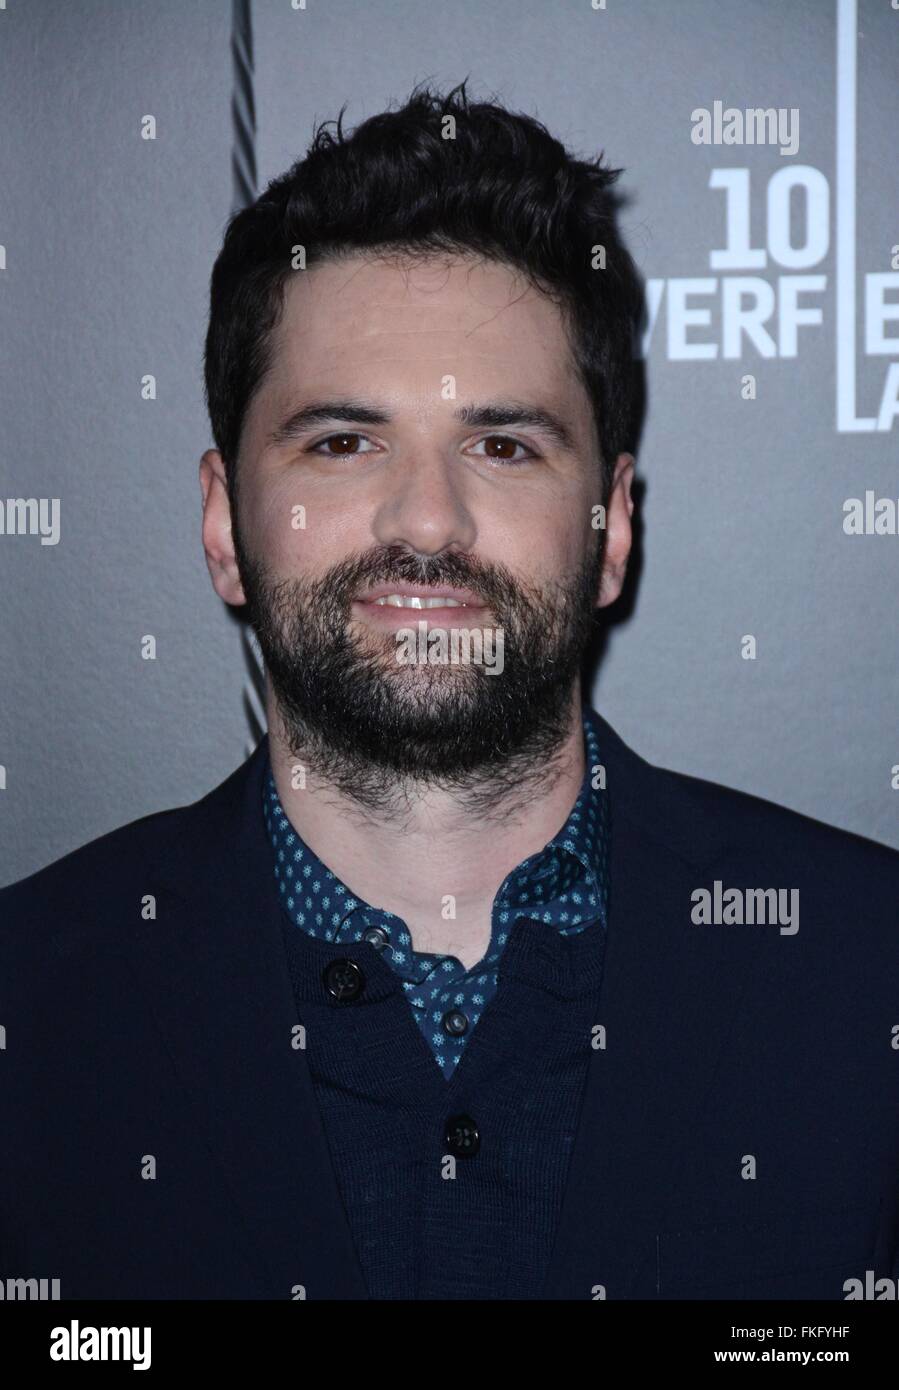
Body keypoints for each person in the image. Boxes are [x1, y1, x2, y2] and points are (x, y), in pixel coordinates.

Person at [2, 81, 897, 1302]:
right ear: (222, 521)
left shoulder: (866, 972)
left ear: (612, 526)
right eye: (341, 440)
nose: (427, 520)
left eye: (502, 445)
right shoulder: (31, 1007)